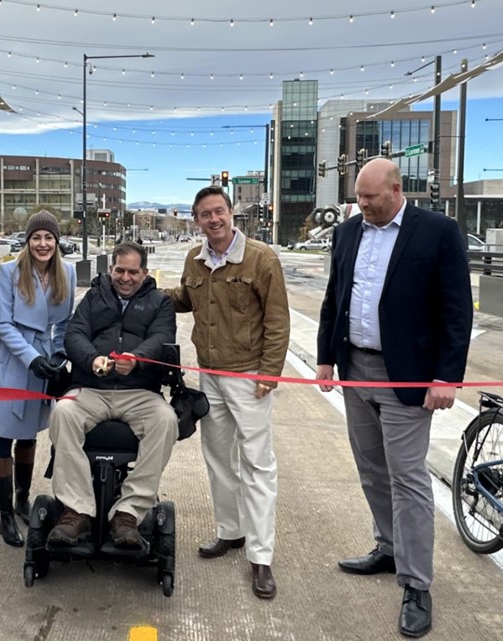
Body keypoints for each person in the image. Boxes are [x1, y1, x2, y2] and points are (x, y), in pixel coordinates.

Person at [316, 158, 473, 638]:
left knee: (407, 478)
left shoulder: (438, 232)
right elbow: (333, 298)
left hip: (406, 375)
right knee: (371, 469)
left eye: (371, 198)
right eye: (358, 198)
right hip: (355, 366)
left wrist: (447, 377)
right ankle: (388, 548)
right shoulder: (348, 233)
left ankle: (416, 583)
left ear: (397, 190)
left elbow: (456, 307)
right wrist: (325, 357)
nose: (363, 205)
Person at [165, 185, 289, 600]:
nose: (213, 220)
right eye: (205, 214)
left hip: (249, 375)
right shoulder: (195, 260)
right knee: (218, 458)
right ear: (196, 219)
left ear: (231, 213)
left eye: (219, 212)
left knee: (257, 463)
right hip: (211, 374)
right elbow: (186, 298)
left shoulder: (260, 259)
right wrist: (145, 291)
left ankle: (261, 556)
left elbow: (277, 320)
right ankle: (230, 532)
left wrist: (269, 373)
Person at [46, 242, 178, 547]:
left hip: (139, 391)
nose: (126, 277)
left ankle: (129, 512)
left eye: (133, 271)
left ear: (145, 273)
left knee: (166, 420)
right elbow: (74, 334)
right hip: (93, 387)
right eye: (120, 270)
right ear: (111, 269)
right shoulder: (93, 297)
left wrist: (137, 359)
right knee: (63, 413)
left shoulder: (160, 303)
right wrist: (92, 358)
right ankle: (78, 510)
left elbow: (162, 338)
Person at [0, 210, 76, 547]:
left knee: (30, 434)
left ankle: (22, 498)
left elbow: (64, 325)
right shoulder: (9, 271)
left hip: (45, 361)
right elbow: (3, 324)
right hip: (12, 360)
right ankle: (5, 513)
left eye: (49, 237)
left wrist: (59, 356)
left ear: (56, 241)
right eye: (37, 237)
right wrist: (31, 358)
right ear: (28, 240)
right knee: (4, 435)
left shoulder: (68, 272)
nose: (43, 243)